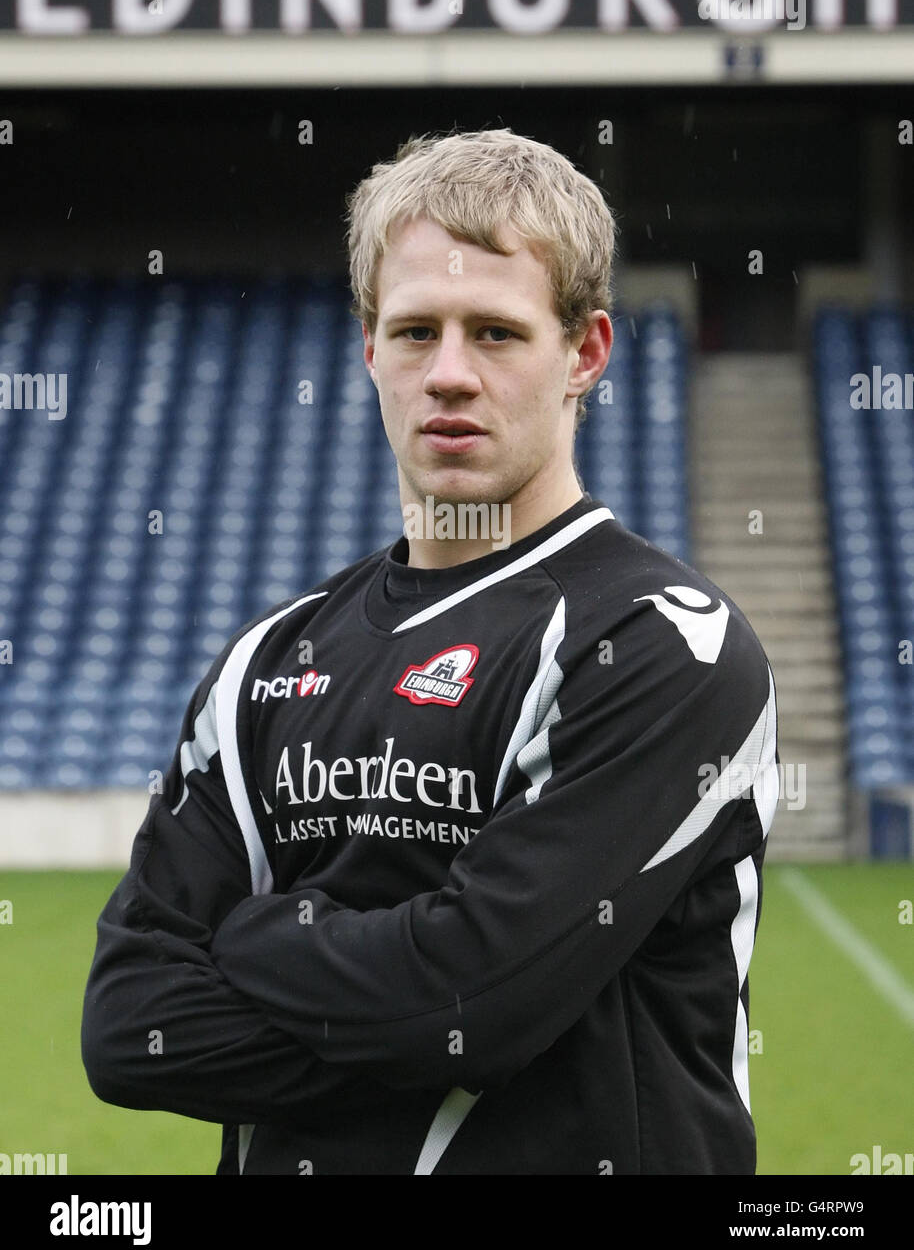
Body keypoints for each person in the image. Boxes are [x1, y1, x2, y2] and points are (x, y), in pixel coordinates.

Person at [82, 127, 779, 1175]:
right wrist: (424, 1006)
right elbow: (130, 1026)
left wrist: (255, 935)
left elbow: (473, 1001)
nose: (447, 373)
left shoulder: (659, 645)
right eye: (414, 332)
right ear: (369, 349)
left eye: (494, 334)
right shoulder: (265, 661)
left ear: (583, 352)